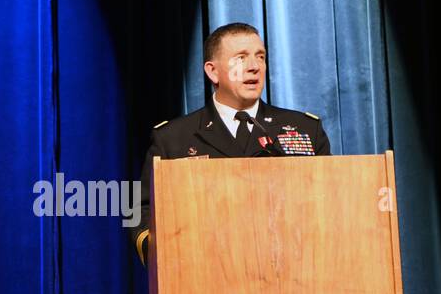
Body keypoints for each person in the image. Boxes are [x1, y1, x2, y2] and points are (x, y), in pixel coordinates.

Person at [131, 22, 330, 263]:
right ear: (213, 72)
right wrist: (161, 253)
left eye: (260, 56)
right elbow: (140, 208)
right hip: (205, 274)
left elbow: (328, 203)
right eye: (241, 58)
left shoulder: (305, 129)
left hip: (293, 270)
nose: (255, 67)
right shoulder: (173, 138)